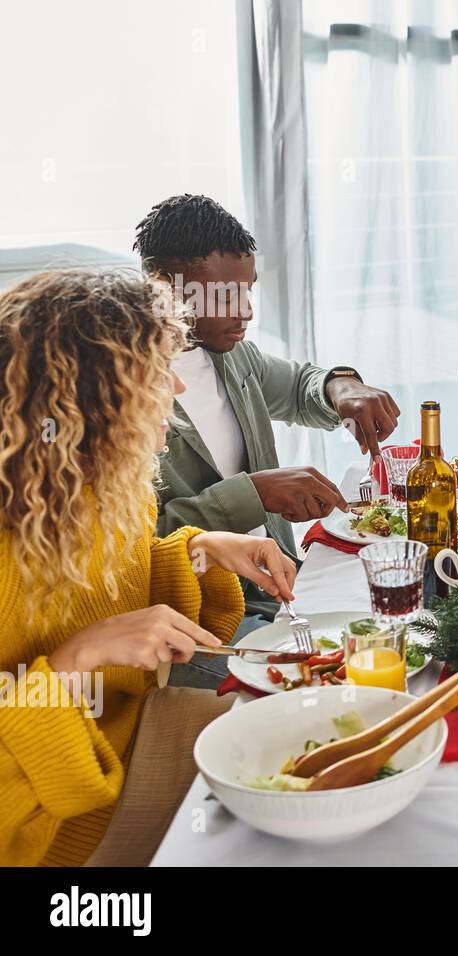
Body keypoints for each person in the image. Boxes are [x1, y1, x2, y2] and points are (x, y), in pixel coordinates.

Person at [0, 269, 300, 866]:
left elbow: (113, 584)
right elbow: (84, 635)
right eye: (155, 373)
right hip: (63, 826)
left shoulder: (105, 483)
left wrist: (201, 548)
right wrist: (71, 663)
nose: (177, 390)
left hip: (131, 733)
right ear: (84, 397)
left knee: (316, 739)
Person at [135, 194, 401, 624]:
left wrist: (343, 385)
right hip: (203, 620)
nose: (245, 312)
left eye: (247, 290)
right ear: (164, 286)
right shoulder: (120, 393)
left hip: (281, 588)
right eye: (223, 299)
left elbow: (300, 386)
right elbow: (139, 550)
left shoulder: (231, 354)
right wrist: (254, 493)